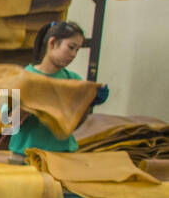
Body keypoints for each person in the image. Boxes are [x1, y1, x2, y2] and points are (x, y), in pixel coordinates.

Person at [8, 20, 110, 155]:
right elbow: (9, 122)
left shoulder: (73, 80)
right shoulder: (23, 78)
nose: (74, 54)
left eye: (77, 50)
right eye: (71, 47)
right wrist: (28, 106)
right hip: (26, 155)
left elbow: (75, 120)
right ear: (53, 43)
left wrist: (89, 99)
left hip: (63, 155)